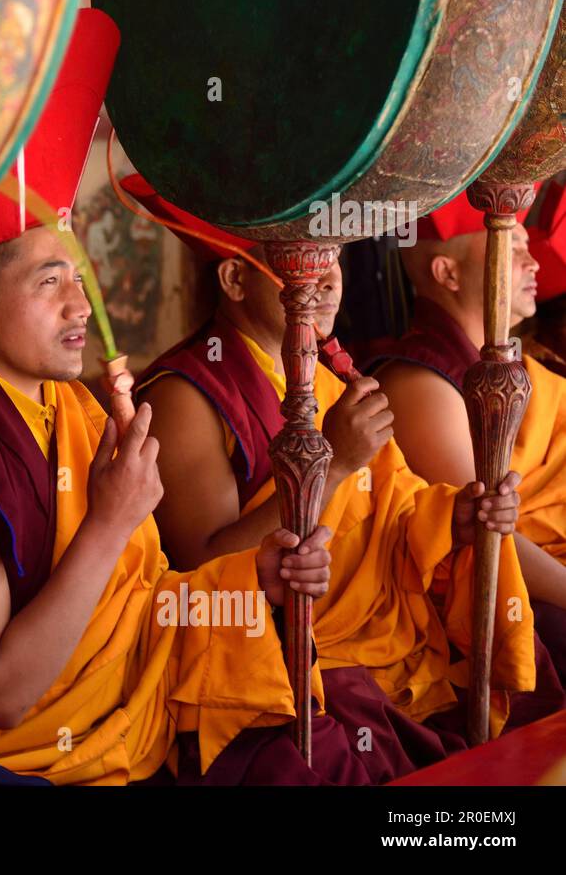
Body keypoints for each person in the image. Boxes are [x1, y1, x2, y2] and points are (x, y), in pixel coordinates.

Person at [0, 10, 358, 787]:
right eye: (51, 283)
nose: (81, 307)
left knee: (336, 730)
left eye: (78, 280)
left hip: (126, 729)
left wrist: (257, 578)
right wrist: (113, 518)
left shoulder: (77, 415)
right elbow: (1, 689)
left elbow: (142, 610)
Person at [127, 175, 564, 782]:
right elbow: (202, 567)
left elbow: (399, 509)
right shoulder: (189, 395)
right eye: (300, 259)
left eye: (332, 253)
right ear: (233, 279)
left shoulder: (334, 381)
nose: (329, 275)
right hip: (297, 658)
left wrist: (457, 518)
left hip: (386, 641)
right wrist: (330, 463)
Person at [369, 187, 566, 681]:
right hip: (492, 604)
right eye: (511, 244)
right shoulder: (419, 383)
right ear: (447, 272)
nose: (532, 261)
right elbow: (489, 535)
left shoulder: (521, 368)